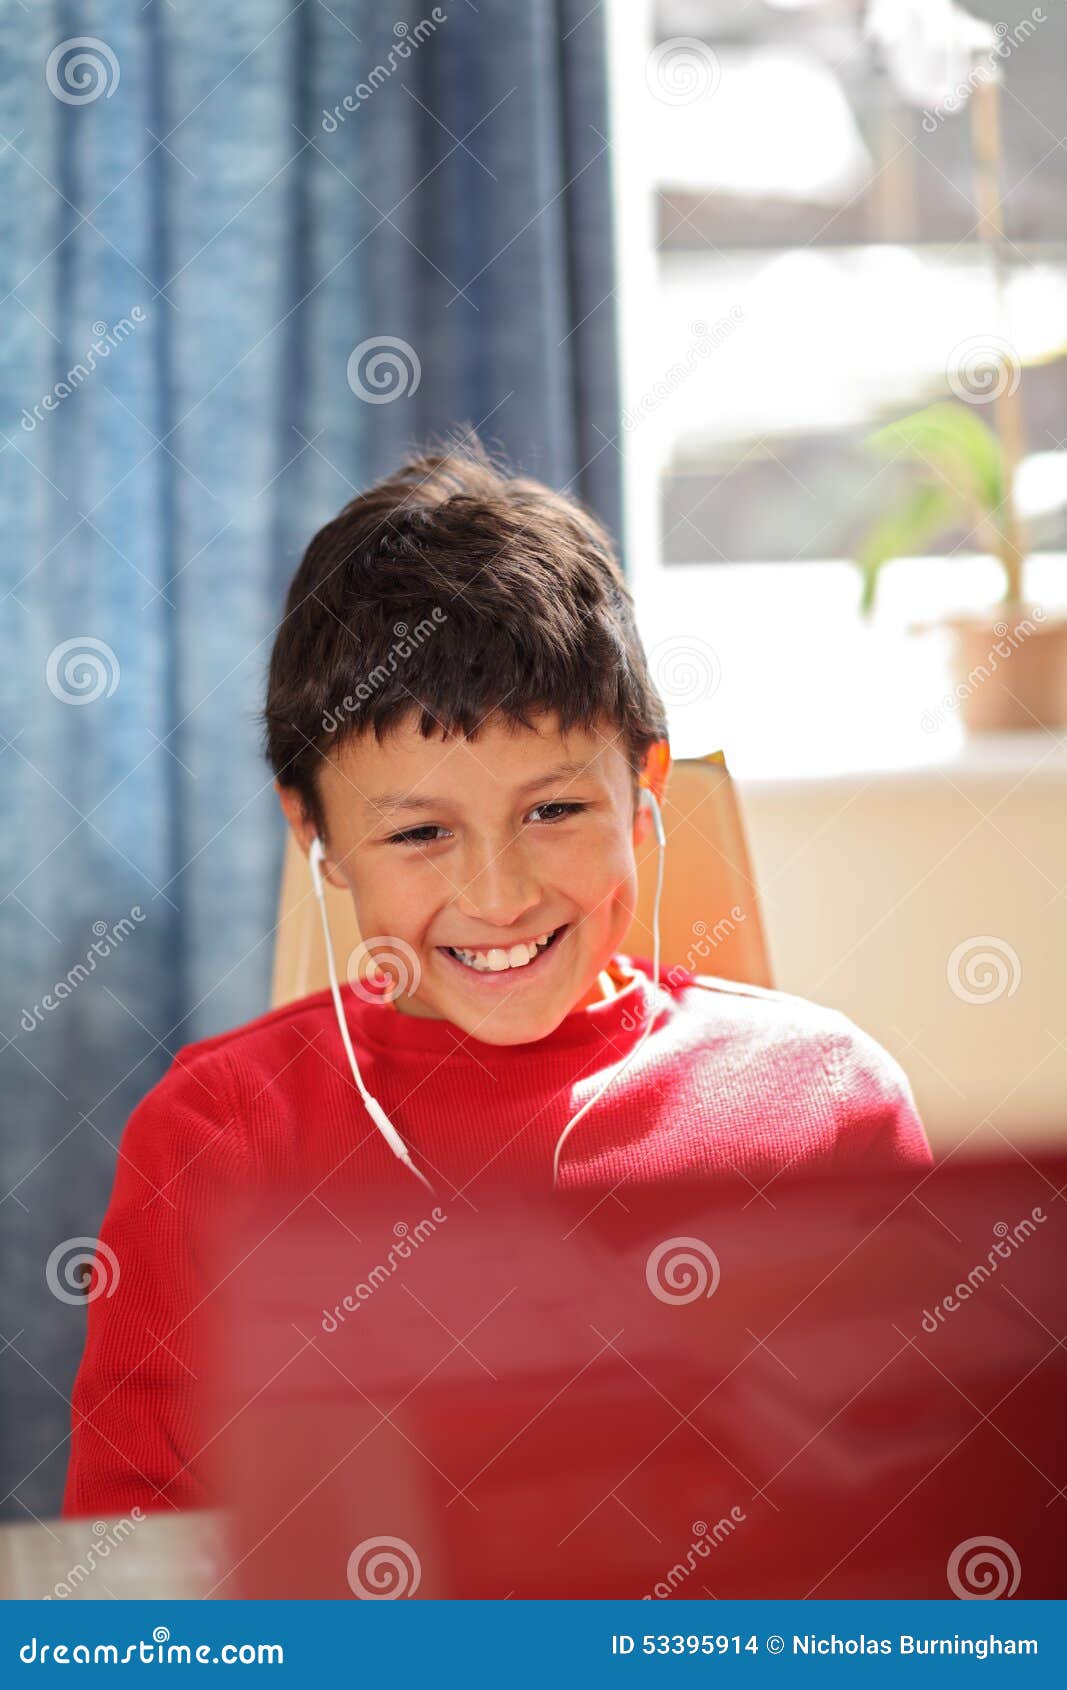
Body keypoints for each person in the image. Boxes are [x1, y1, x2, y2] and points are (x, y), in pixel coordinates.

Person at [62, 432, 932, 1519]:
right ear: (315, 833)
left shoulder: (829, 1106)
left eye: (555, 810)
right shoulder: (214, 1135)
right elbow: (138, 1576)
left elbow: (925, 1539)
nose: (499, 894)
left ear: (642, 786)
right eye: (421, 831)